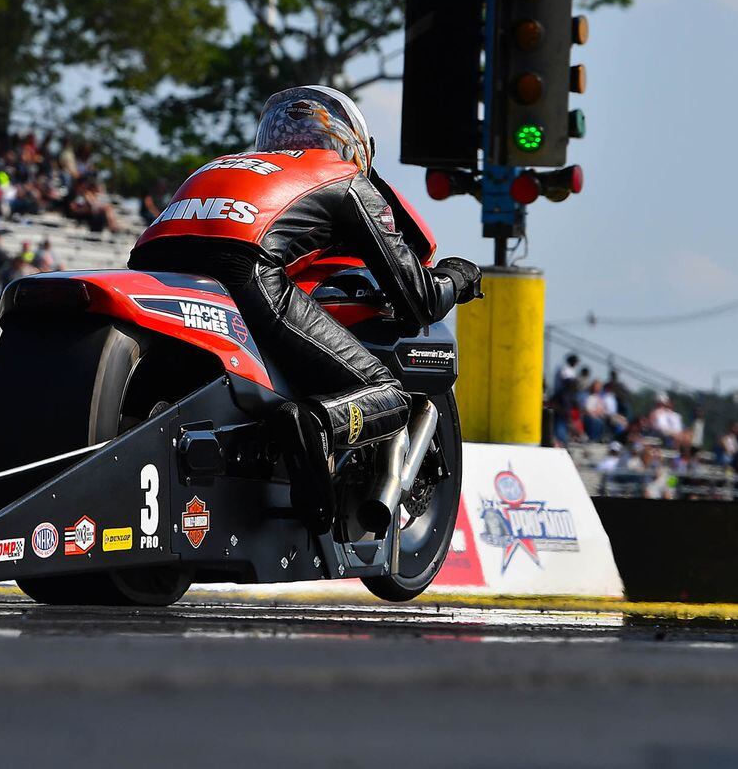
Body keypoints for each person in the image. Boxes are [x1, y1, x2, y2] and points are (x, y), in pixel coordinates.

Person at [127, 85, 481, 531]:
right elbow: (420, 299)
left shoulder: (229, 164)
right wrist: (458, 278)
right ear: (352, 143)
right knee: (388, 395)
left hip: (153, 270)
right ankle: (314, 424)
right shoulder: (342, 175)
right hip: (244, 268)